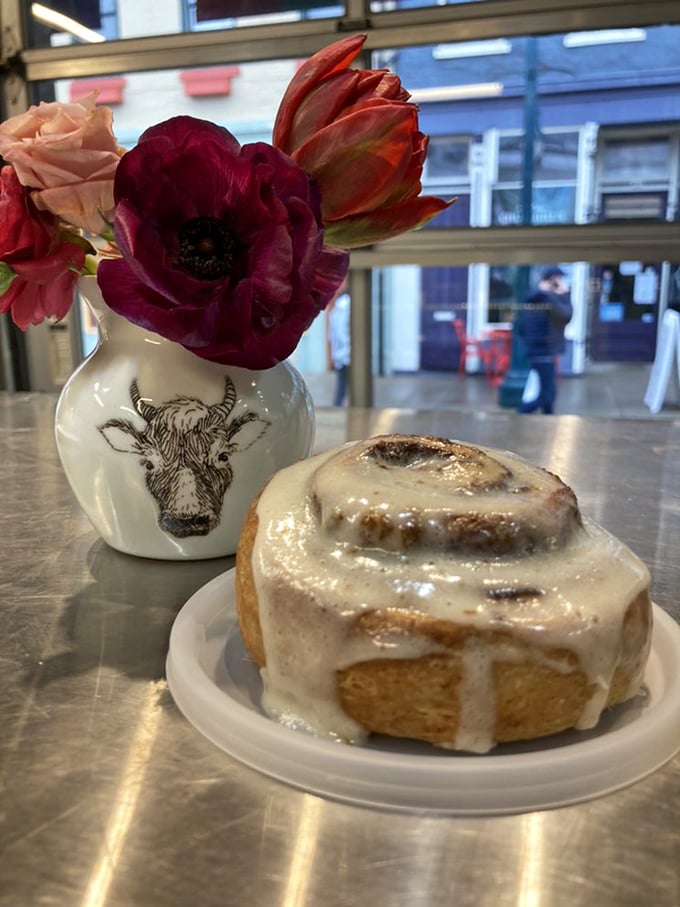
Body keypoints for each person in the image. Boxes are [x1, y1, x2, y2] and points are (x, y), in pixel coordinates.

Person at [516, 266, 572, 415]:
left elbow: (521, 327)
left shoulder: (536, 297)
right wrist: (564, 295)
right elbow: (566, 315)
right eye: (558, 281)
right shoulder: (546, 298)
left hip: (539, 350)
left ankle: (540, 415)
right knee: (547, 393)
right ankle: (523, 414)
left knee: (545, 390)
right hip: (543, 351)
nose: (560, 284)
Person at [328, 281, 351, 406]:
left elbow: (334, 334)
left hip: (342, 354)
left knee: (342, 388)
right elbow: (339, 333)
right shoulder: (343, 306)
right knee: (343, 387)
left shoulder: (339, 307)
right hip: (345, 354)